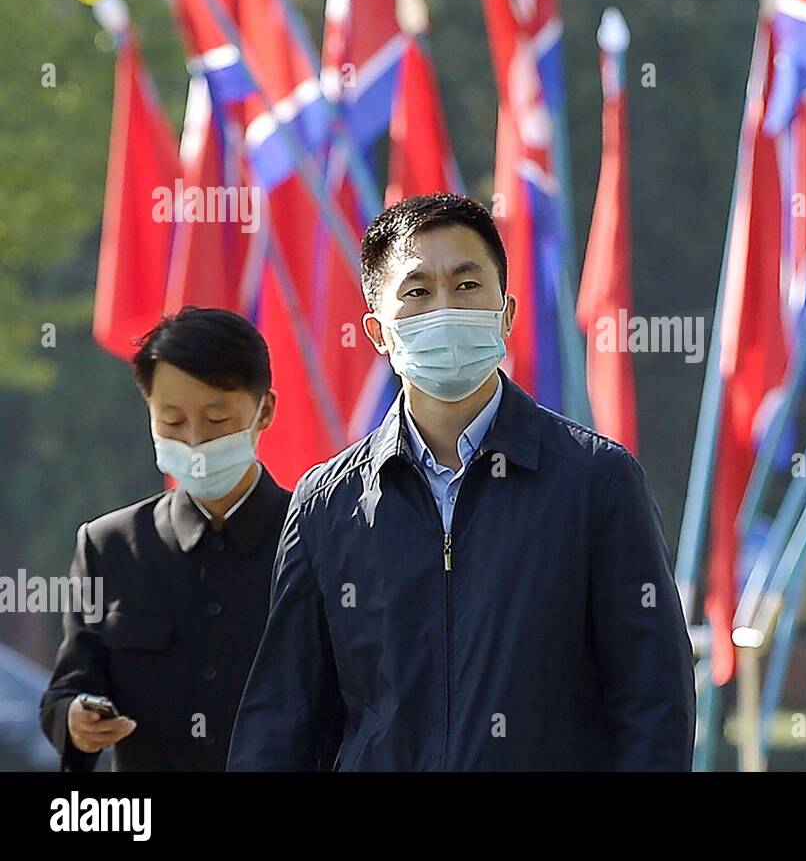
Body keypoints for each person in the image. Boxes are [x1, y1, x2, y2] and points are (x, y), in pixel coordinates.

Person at [228, 193, 695, 771]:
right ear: (377, 333)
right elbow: (284, 716)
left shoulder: (595, 482)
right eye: (418, 293)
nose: (444, 309)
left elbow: (653, 702)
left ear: (506, 314)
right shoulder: (328, 504)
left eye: (467, 285)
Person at [39, 307, 290, 770]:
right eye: (172, 422)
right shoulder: (108, 546)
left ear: (265, 410)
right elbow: (68, 689)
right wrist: (78, 719)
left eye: (217, 420)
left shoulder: (316, 538)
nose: (195, 441)